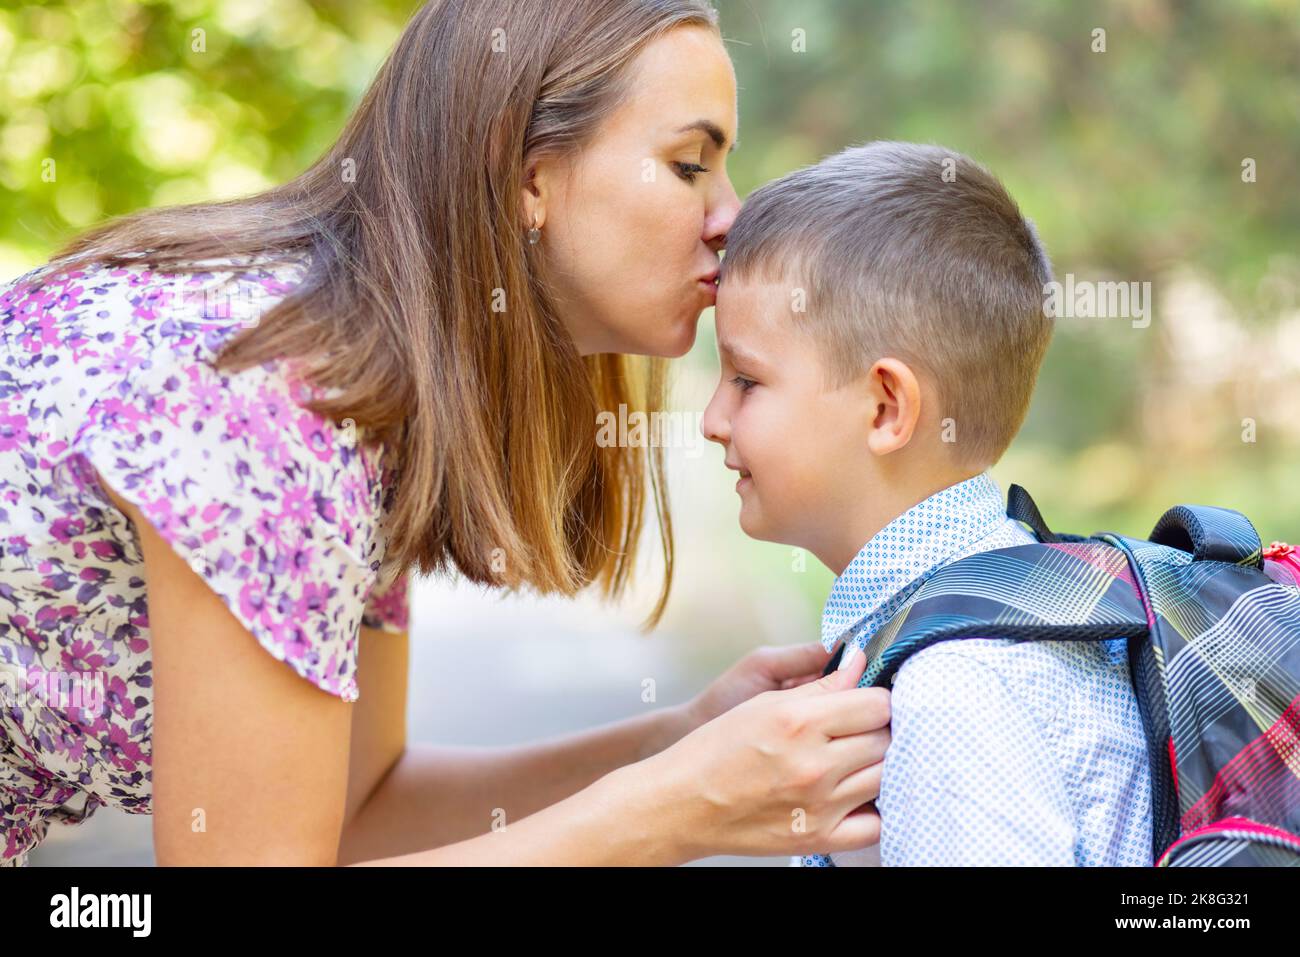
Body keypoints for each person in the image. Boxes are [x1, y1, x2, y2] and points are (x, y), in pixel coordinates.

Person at [0, 0, 891, 867]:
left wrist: (681, 742)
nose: (730, 215)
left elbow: (360, 811)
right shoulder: (270, 395)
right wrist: (681, 810)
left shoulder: (362, 384)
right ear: (526, 175)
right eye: (690, 163)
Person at [701, 140, 1153, 866]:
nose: (711, 419)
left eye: (746, 380)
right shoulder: (1026, 594)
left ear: (886, 408)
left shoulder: (954, 690)